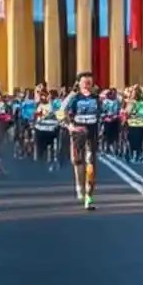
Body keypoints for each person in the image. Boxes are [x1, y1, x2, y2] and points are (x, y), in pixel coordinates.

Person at [62, 72, 102, 210]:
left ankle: (89, 196)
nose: (87, 85)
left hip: (92, 132)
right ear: (79, 84)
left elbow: (102, 113)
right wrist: (69, 126)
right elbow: (60, 112)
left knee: (91, 161)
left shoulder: (97, 98)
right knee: (78, 161)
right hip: (78, 131)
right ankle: (79, 186)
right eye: (84, 83)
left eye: (89, 83)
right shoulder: (73, 98)